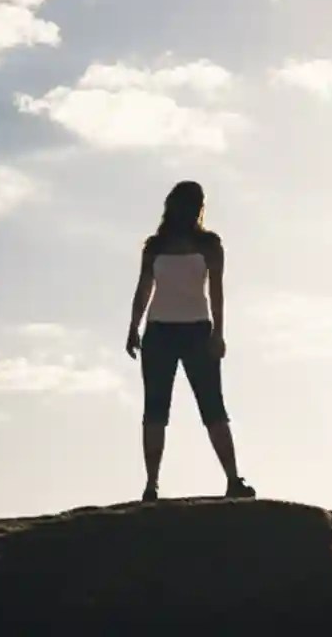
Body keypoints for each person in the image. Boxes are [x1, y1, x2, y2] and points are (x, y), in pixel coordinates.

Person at [126, 180, 256, 502]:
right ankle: (151, 484)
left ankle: (232, 480)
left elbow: (217, 292)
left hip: (197, 330)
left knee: (213, 407)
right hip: (159, 332)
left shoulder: (210, 245)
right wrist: (134, 326)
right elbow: (144, 288)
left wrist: (218, 332)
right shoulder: (155, 246)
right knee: (156, 410)